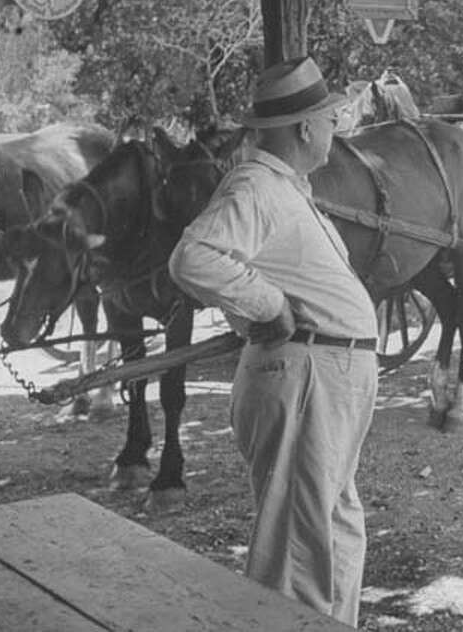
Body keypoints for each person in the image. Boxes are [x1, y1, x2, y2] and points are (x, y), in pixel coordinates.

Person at [169, 56, 378, 626]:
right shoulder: (256, 186)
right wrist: (269, 305)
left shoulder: (286, 189)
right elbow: (193, 258)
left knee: (334, 530)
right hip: (304, 374)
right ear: (305, 128)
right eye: (330, 118)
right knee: (296, 551)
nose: (335, 128)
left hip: (325, 375)